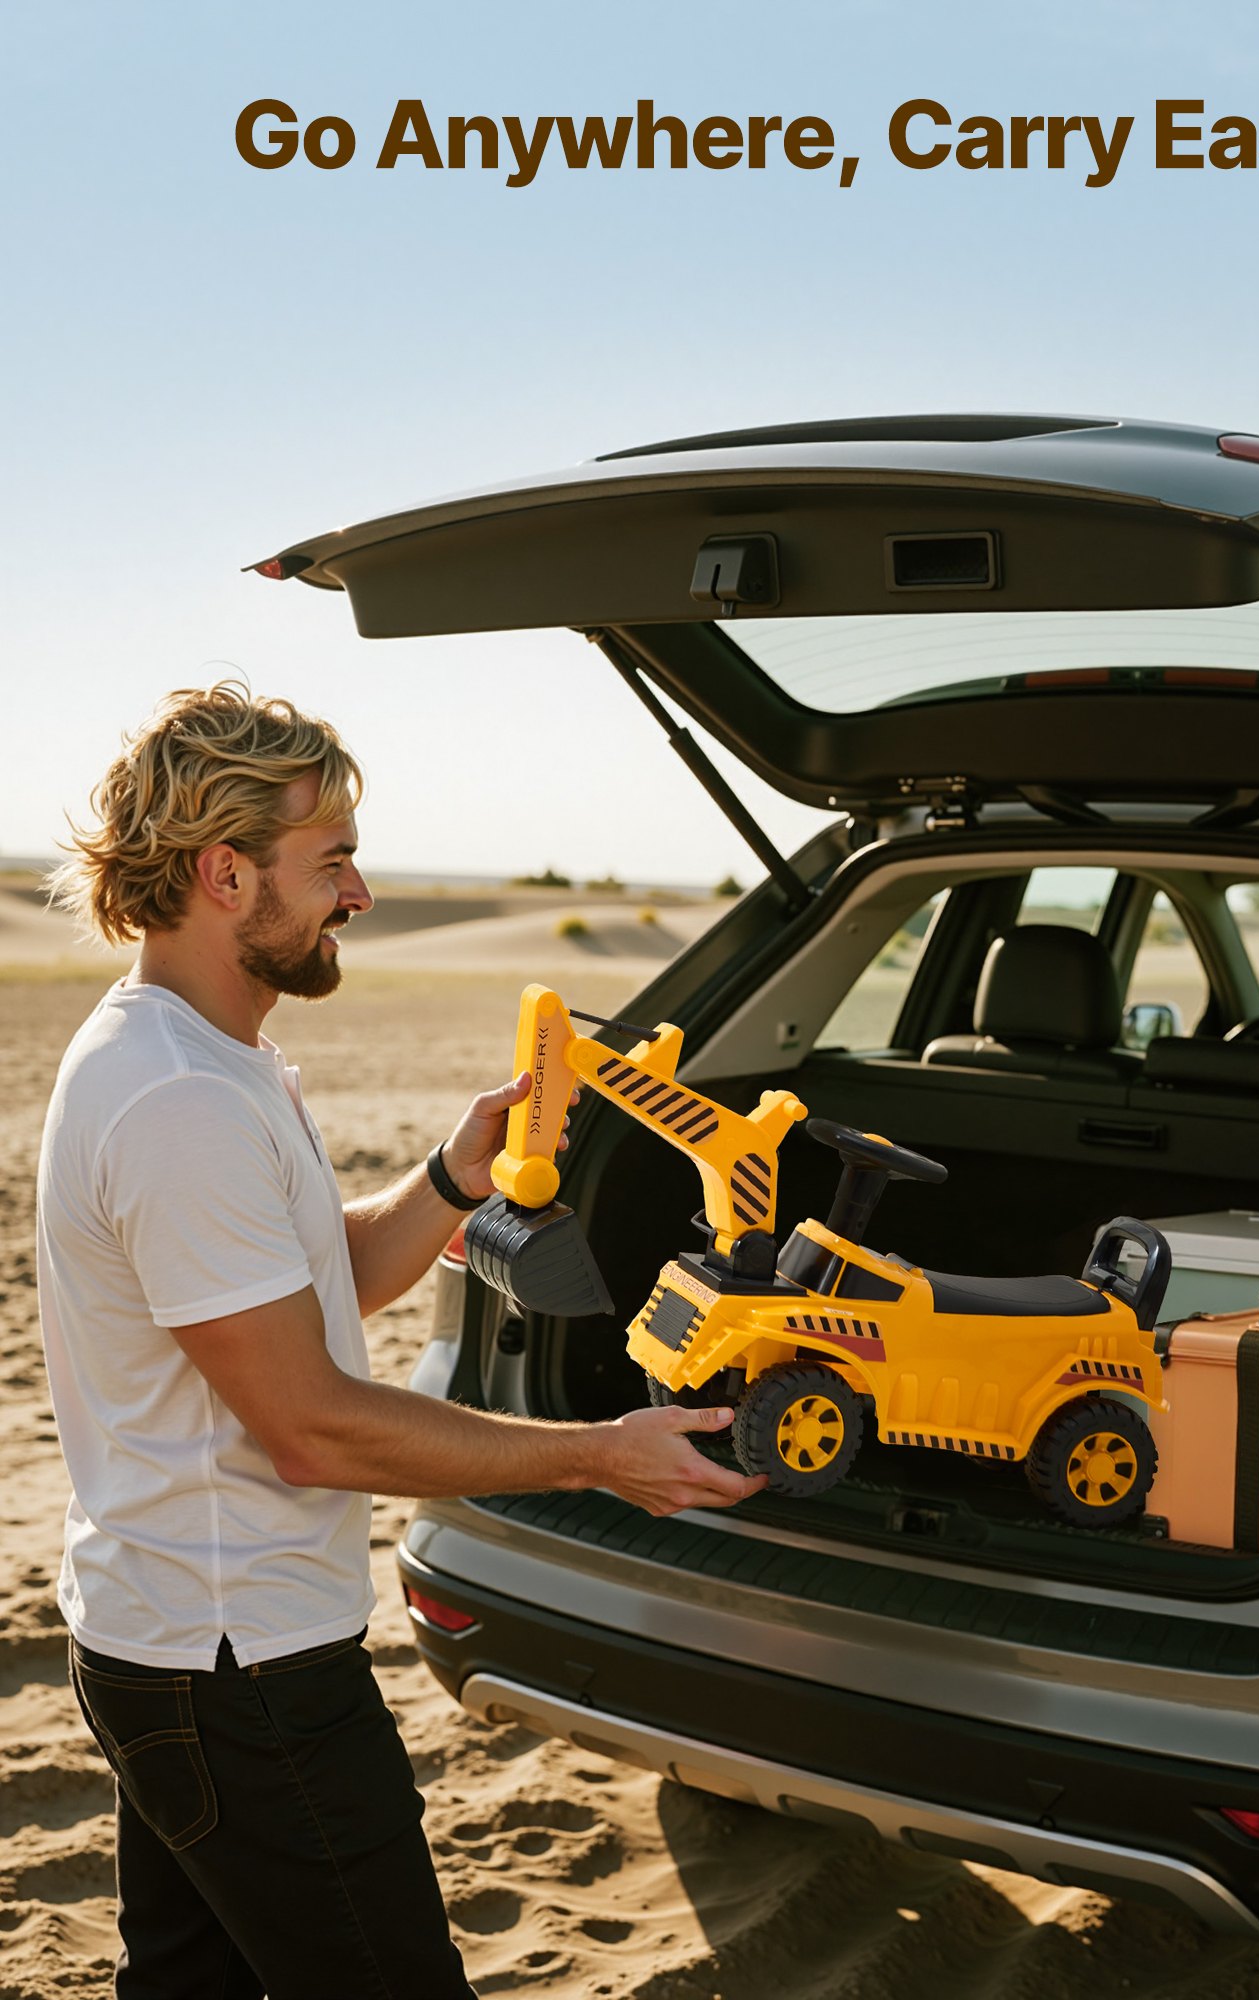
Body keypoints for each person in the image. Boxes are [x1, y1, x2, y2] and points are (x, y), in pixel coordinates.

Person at [35, 682, 764, 2000]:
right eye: (332, 863)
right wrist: (603, 1454)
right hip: (237, 1673)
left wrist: (450, 1177)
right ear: (221, 873)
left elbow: (308, 1293)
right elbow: (309, 1427)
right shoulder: (179, 1099)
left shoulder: (204, 1056)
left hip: (180, 1649)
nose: (360, 893)